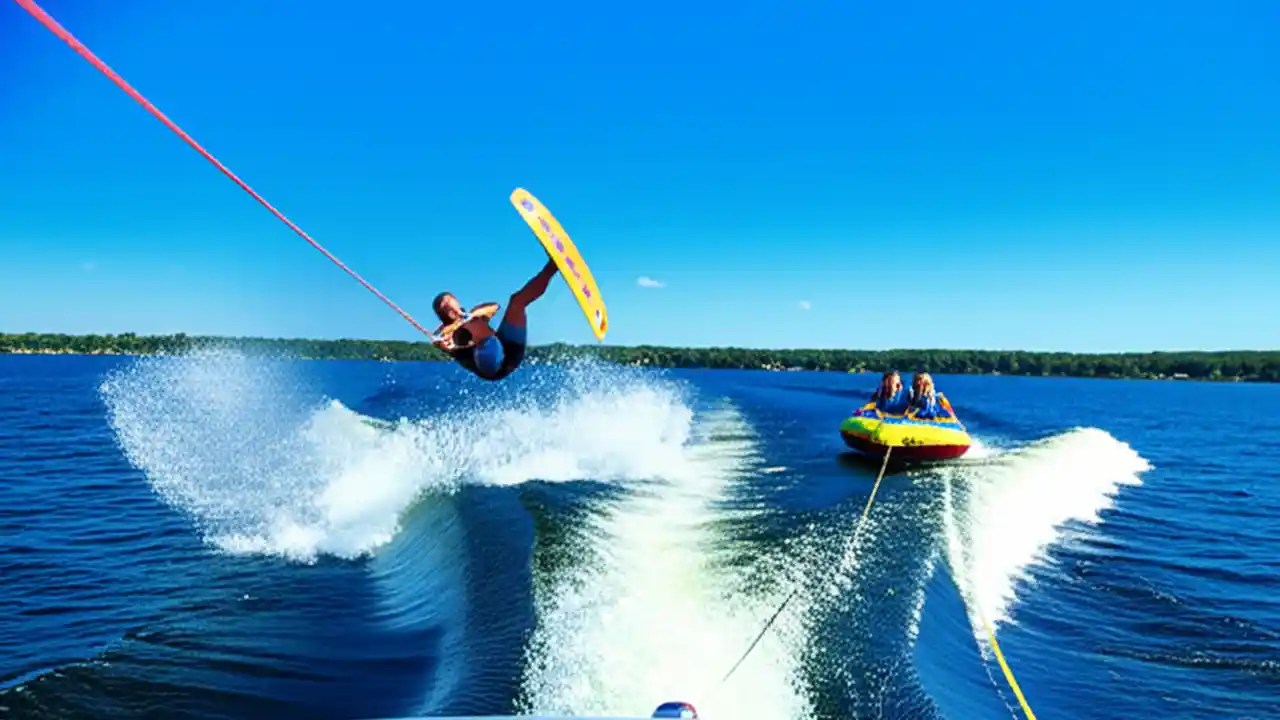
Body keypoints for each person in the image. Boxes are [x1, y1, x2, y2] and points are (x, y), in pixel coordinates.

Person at [431, 257, 559, 381]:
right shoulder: (445, 333)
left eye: (448, 302)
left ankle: (552, 266)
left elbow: (495, 307)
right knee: (473, 327)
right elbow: (448, 339)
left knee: (516, 302)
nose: (447, 307)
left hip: (510, 349)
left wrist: (473, 315)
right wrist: (448, 346)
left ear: (456, 301)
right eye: (444, 308)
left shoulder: (474, 314)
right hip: (492, 366)